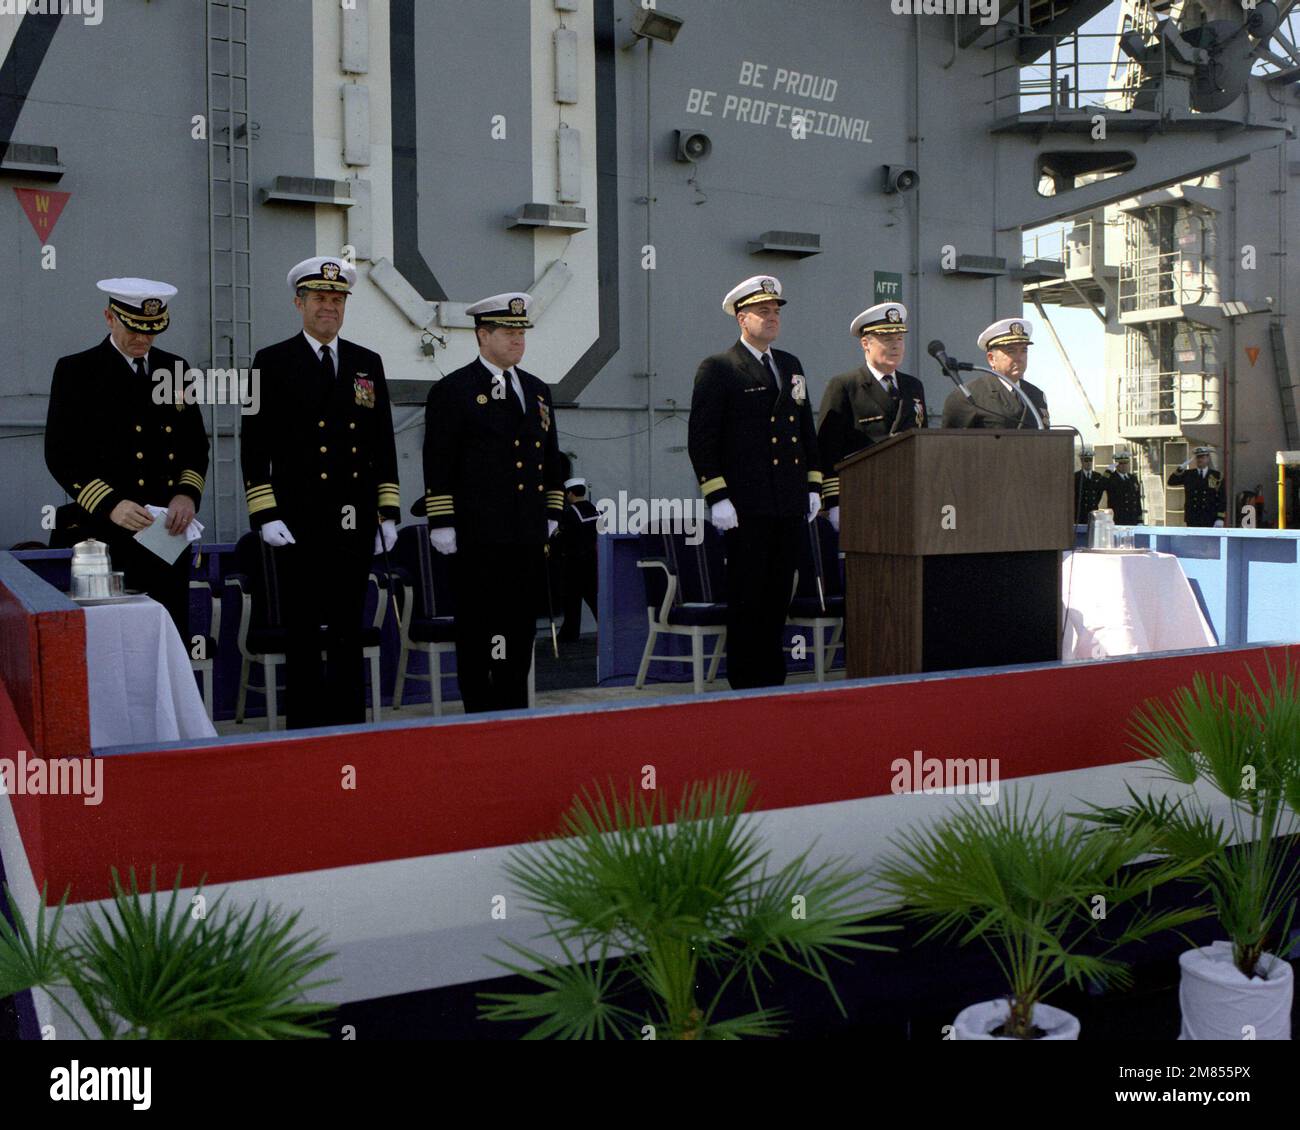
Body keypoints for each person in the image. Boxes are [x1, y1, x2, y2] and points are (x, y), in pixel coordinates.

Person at [240, 256, 400, 729]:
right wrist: (264, 514)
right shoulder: (268, 362)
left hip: (353, 522)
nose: (329, 307)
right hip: (297, 521)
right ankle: (306, 729)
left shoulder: (366, 363)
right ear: (299, 303)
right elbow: (253, 446)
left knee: (349, 629)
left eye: (337, 299)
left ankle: (349, 726)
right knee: (304, 630)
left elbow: (382, 443)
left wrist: (387, 512)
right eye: (319, 299)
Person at [420, 292, 566, 712]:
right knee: (480, 629)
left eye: (521, 331)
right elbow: (439, 459)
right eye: (507, 331)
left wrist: (553, 511)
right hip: (478, 535)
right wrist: (441, 520)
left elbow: (549, 457)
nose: (517, 339)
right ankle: (480, 712)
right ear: (482, 335)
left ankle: (513, 708)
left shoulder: (536, 390)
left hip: (525, 535)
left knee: (518, 628)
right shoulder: (454, 390)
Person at [45, 278, 209, 635]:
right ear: (109, 318)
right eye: (133, 329)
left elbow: (195, 446)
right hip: (104, 536)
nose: (142, 339)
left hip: (166, 536)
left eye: (151, 331)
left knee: (168, 634)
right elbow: (60, 454)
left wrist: (187, 494)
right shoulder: (77, 371)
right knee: (109, 640)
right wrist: (111, 504)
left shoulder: (175, 369)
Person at [687, 275, 822, 690]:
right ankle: (746, 683)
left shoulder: (790, 365)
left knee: (778, 596)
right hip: (746, 506)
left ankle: (772, 680)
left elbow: (804, 430)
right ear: (742, 318)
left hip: (787, 502)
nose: (772, 317)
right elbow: (702, 438)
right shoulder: (720, 367)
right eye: (764, 311)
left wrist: (813, 485)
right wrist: (717, 495)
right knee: (748, 598)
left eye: (776, 310)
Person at [816, 302, 928, 532]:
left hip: (905, 496)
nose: (896, 346)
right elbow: (828, 449)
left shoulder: (913, 386)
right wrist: (836, 502)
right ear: (865, 343)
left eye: (899, 339)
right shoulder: (845, 386)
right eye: (887, 340)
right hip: (862, 494)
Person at [942, 318, 1050, 429]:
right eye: (1011, 351)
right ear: (991, 359)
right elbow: (949, 442)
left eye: (1024, 350)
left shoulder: (1037, 395)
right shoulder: (968, 396)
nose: (1019, 358)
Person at [555, 477, 599, 643]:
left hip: (574, 564)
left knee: (572, 602)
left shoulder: (569, 513)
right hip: (593, 563)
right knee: (595, 601)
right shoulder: (596, 510)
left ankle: (569, 634)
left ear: (570, 493)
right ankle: (606, 630)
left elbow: (563, 537)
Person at [1167, 446, 1225, 528]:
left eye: (1202, 457)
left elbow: (1221, 499)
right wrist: (1180, 469)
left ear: (1208, 458)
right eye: (1198, 457)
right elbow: (1171, 482)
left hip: (1209, 517)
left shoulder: (1216, 475)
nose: (1199, 460)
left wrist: (1220, 518)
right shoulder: (1188, 474)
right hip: (1192, 517)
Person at [1104, 450, 1144, 525]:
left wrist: (1140, 519)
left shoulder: (1132, 478)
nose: (1124, 465)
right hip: (1118, 519)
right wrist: (1108, 470)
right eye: (1121, 463)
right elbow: (1101, 485)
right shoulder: (1111, 478)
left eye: (1126, 463)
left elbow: (1137, 500)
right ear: (1116, 464)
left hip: (1133, 519)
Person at [1074, 449, 1106, 525]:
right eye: (1086, 460)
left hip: (1093, 512)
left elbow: (1099, 493)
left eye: (1090, 460)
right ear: (1081, 461)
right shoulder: (1076, 477)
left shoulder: (1097, 476)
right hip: (1080, 514)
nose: (1089, 463)